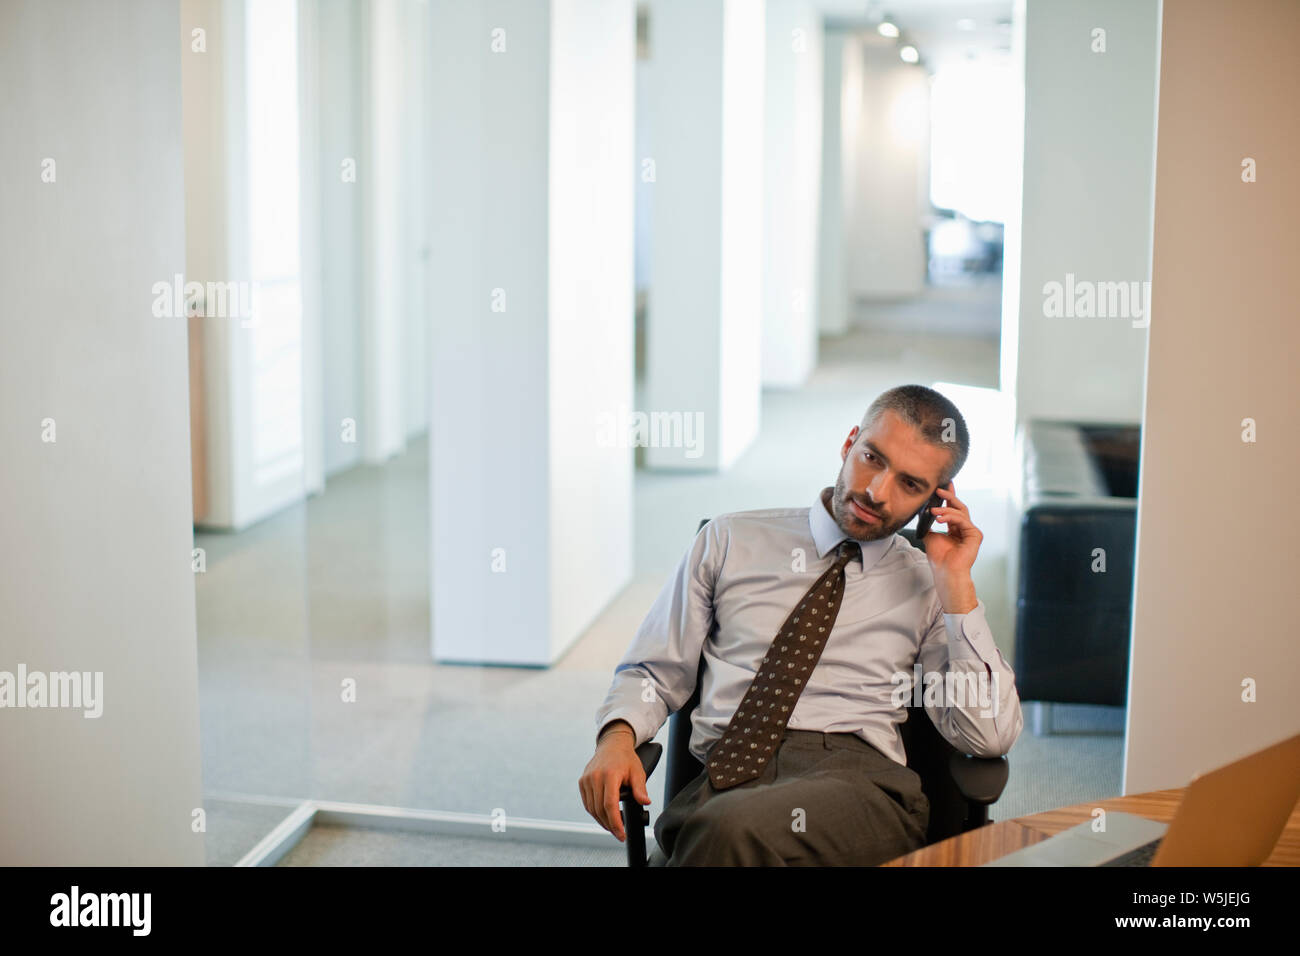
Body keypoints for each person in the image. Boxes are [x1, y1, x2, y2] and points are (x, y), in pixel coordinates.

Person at [578, 384, 1024, 865]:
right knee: (726, 829)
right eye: (873, 458)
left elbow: (988, 735)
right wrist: (617, 737)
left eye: (910, 484)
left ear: (933, 500)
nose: (877, 491)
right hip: (722, 785)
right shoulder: (729, 540)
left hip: (858, 789)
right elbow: (653, 671)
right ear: (850, 442)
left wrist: (956, 583)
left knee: (729, 835)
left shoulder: (929, 584)